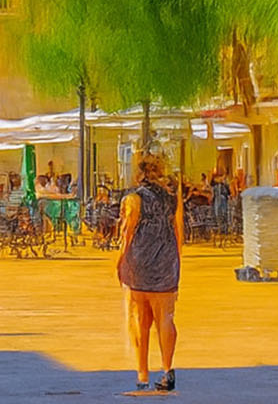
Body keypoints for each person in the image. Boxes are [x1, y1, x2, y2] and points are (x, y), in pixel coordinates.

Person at [116, 153, 180, 394]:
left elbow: (127, 234)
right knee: (166, 317)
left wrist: (120, 261)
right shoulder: (172, 198)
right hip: (166, 261)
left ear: (139, 173)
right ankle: (167, 370)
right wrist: (176, 262)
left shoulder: (133, 198)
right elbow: (179, 231)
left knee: (140, 320)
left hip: (140, 262)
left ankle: (142, 374)